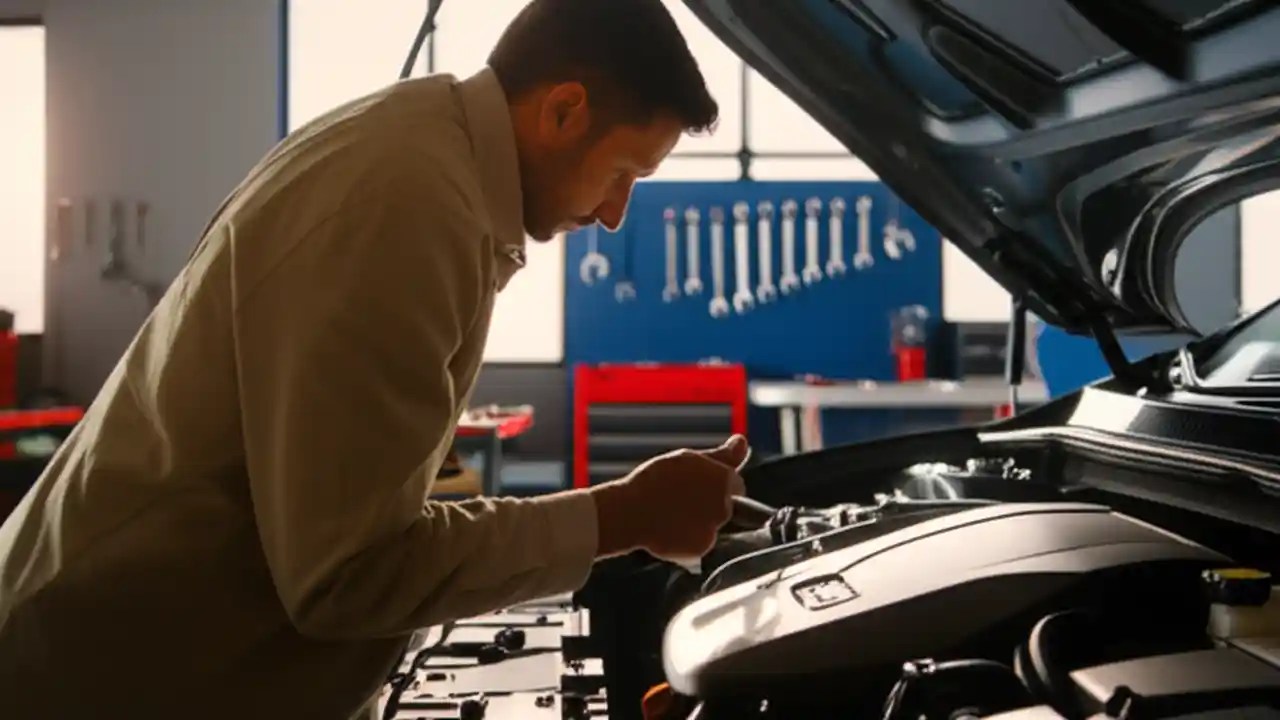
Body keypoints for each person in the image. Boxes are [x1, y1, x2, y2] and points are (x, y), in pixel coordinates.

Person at [0, 1, 750, 717]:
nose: (617, 214)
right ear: (563, 111)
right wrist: (623, 515)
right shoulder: (405, 207)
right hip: (90, 679)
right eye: (627, 173)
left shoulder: (426, 157)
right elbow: (348, 575)